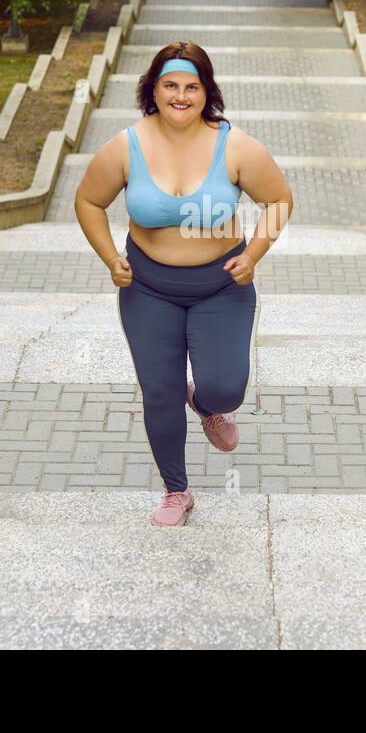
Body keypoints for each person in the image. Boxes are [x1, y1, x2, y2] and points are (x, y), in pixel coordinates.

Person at [74, 41, 293, 526]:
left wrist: (254, 254)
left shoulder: (235, 146)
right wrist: (111, 257)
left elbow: (278, 200)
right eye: (170, 85)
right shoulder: (125, 146)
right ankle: (176, 490)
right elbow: (88, 201)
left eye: (192, 87)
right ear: (153, 89)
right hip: (148, 289)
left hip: (221, 287)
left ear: (206, 92)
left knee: (225, 385)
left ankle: (209, 404)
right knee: (159, 390)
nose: (181, 95)